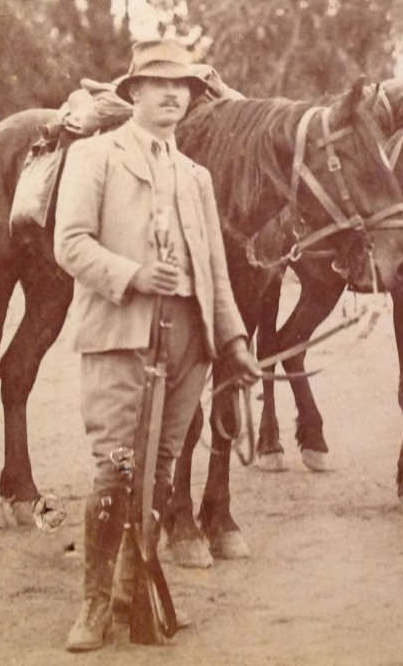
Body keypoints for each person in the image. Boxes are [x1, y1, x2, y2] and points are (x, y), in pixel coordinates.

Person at [54, 38, 261, 651]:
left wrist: (234, 340)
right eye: (161, 84)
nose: (175, 94)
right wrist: (133, 276)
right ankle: (92, 605)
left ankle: (129, 588)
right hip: (120, 340)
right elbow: (69, 244)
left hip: (187, 347)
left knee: (160, 473)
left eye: (186, 87)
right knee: (117, 470)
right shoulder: (96, 158)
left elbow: (216, 271)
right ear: (134, 91)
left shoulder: (195, 176)